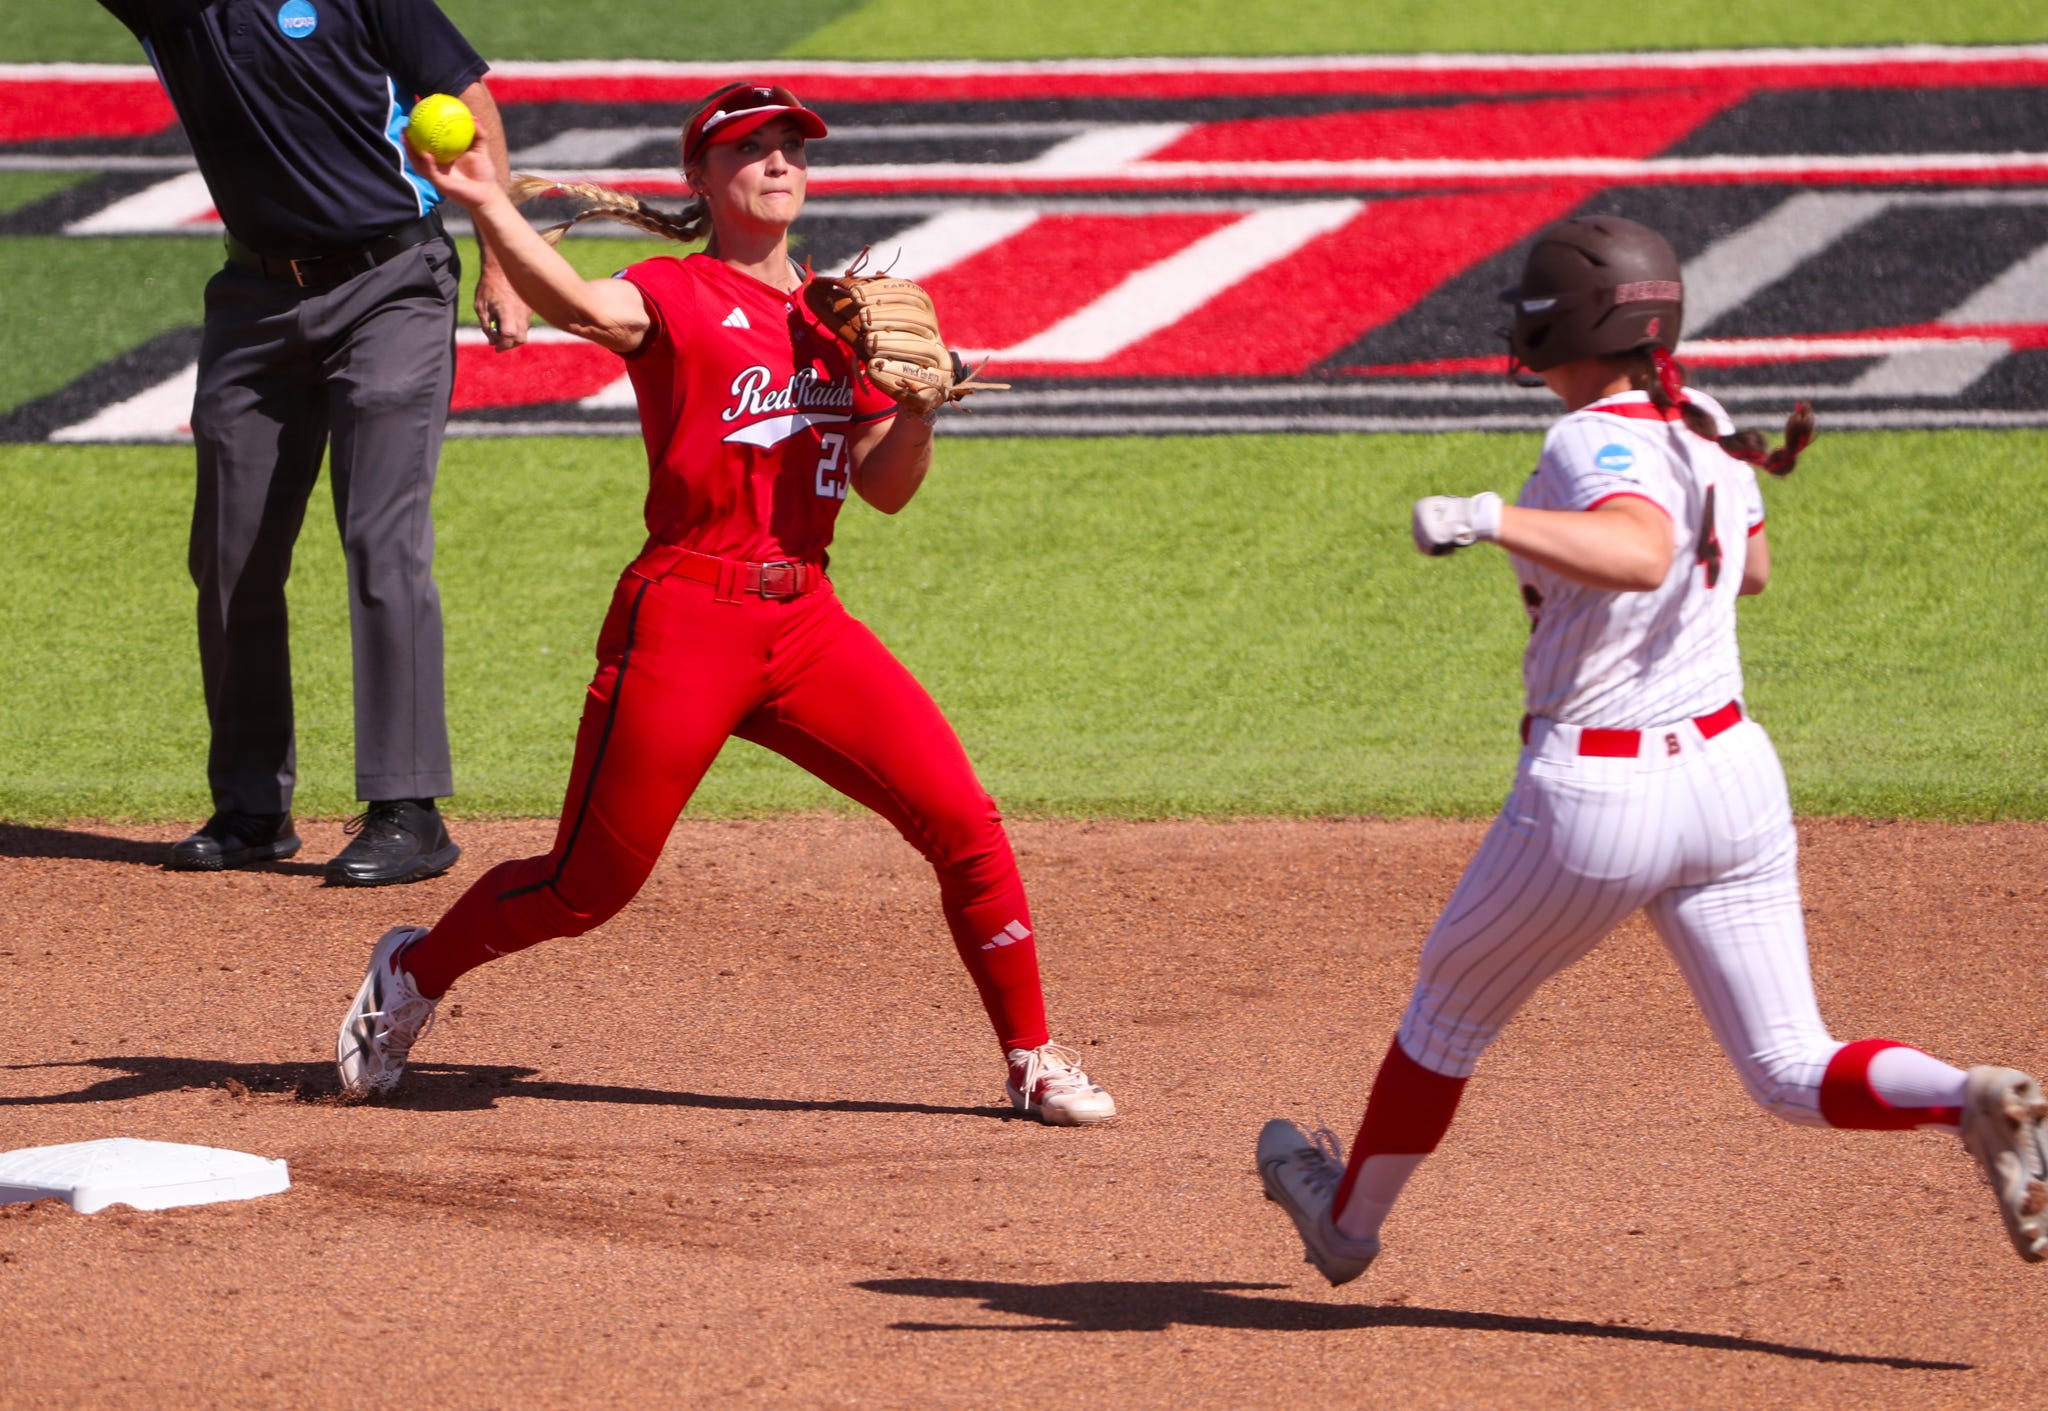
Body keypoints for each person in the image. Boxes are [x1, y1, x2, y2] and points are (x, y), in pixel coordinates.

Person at [1255, 215, 2048, 1283]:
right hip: (1731, 783)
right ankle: (1965, 1096)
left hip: (1597, 799)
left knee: (1444, 1017)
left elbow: (1638, 548)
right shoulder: (1702, 417)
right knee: (1787, 1062)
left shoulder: (1587, 438)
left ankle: (1345, 1223)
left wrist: (1490, 515)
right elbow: (1750, 569)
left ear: (1560, 325)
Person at [334, 82, 1116, 1125]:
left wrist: (921, 411)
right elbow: (578, 305)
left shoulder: (841, 315)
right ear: (699, 177)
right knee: (585, 887)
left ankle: (1030, 1057)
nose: (778, 161)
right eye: (749, 147)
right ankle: (413, 970)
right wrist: (485, 203)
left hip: (805, 622)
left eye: (792, 145)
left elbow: (884, 489)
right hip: (685, 617)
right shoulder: (673, 290)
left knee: (964, 824)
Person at [95, 0, 533, 886]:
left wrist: (503, 260)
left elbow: (466, 96)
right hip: (252, 301)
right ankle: (252, 806)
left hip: (392, 284)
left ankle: (408, 808)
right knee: (230, 552)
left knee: (380, 536)